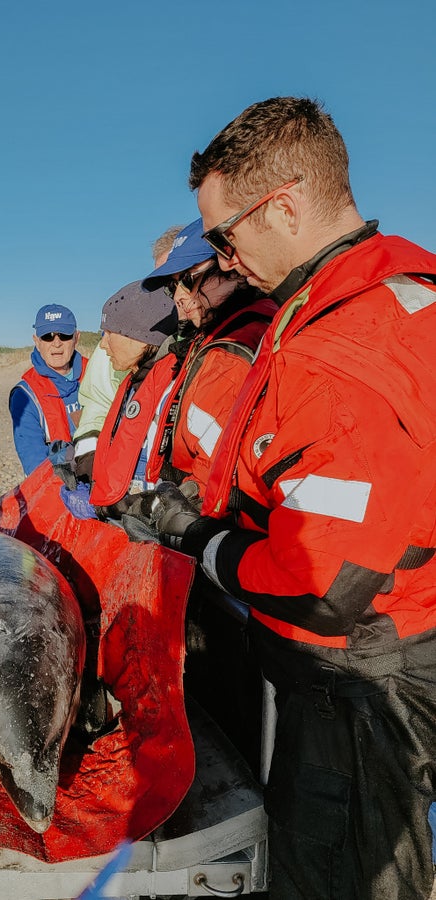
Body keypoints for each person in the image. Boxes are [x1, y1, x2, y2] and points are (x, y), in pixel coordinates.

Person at [131, 97, 436, 900]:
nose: (224, 257)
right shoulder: (401, 294)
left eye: (227, 233)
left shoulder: (336, 350)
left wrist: (199, 539)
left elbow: (326, 584)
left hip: (363, 685)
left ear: (287, 205)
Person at [139, 218, 276, 495]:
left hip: (206, 509)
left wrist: (175, 505)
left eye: (188, 280)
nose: (178, 296)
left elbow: (218, 463)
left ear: (231, 269)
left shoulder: (239, 344)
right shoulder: (209, 336)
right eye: (172, 286)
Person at [71, 224, 186, 482]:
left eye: (181, 278)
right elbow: (97, 404)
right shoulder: (115, 348)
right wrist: (89, 457)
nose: (172, 293)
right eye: (162, 281)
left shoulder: (216, 343)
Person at [9, 303, 89, 475]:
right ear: (37, 342)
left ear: (77, 337)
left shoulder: (96, 374)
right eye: (48, 336)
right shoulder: (25, 395)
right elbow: (35, 466)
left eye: (64, 335)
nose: (57, 343)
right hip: (60, 487)